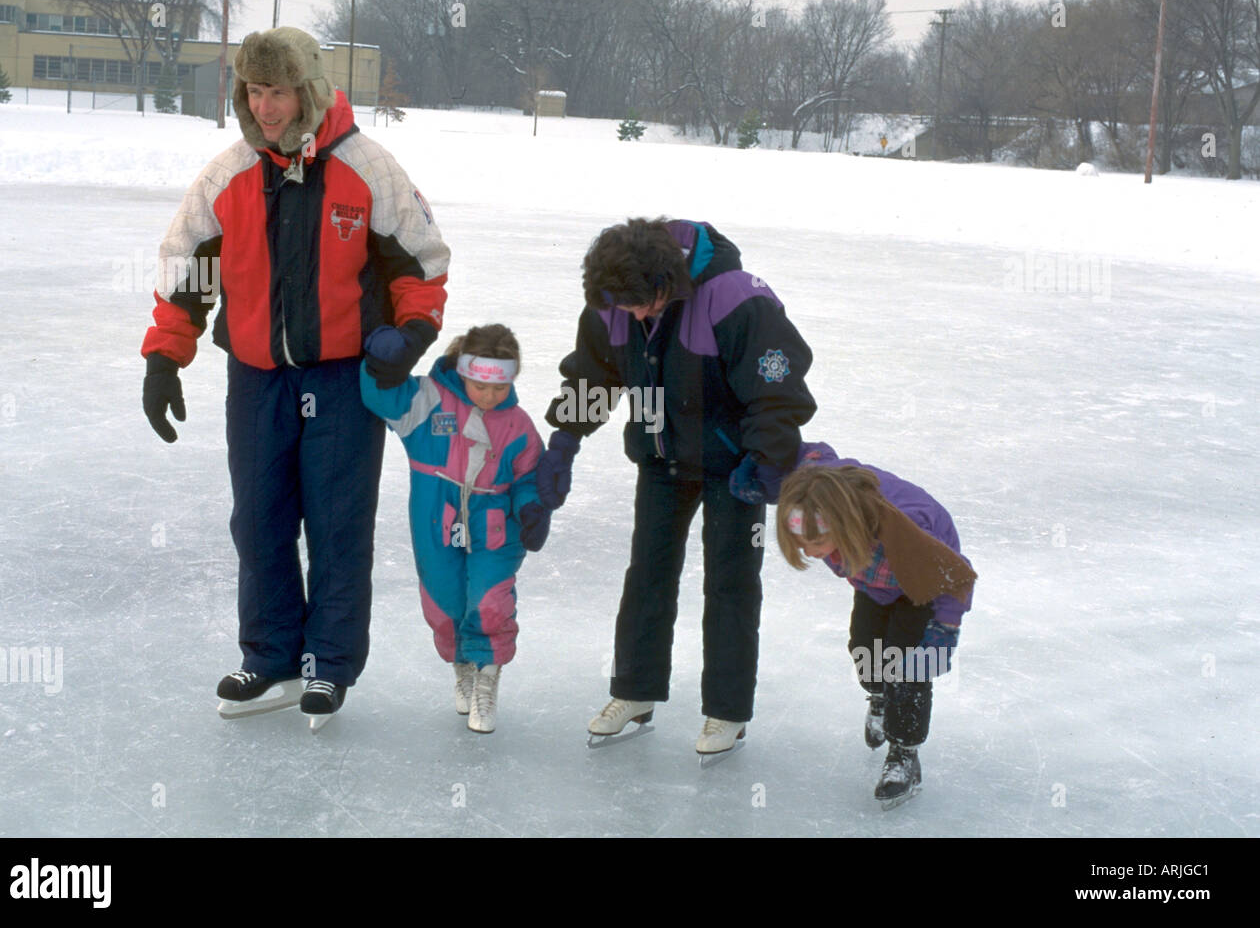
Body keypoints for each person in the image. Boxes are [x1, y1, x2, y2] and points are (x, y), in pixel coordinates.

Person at [139, 27, 450, 724]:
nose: (266, 105)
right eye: (254, 90)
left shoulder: (366, 166)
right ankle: (272, 655)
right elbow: (186, 268)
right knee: (259, 520)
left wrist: (411, 335)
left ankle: (327, 665)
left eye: (278, 90)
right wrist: (166, 355)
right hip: (256, 378)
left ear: (306, 89)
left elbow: (420, 261)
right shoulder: (230, 174)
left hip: (343, 380)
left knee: (337, 524)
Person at [536, 217, 816, 755]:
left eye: (642, 306)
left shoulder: (735, 298)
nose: (633, 316)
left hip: (734, 469)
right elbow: (593, 377)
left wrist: (766, 461)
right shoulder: (613, 302)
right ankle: (635, 692)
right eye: (624, 308)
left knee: (731, 583)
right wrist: (564, 440)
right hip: (661, 461)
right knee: (647, 574)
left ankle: (726, 712)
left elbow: (776, 387)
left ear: (668, 282)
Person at [360, 324, 547, 733]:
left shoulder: (517, 424)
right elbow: (379, 394)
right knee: (443, 604)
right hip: (435, 514)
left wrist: (532, 508)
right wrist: (381, 360)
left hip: (497, 523)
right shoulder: (427, 400)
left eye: (500, 388)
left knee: (489, 601)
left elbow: (530, 474)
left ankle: (488, 673)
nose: (490, 396)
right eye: (480, 385)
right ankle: (463, 664)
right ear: (463, 371)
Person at [774, 441, 977, 806]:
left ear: (842, 527)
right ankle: (879, 695)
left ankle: (904, 755)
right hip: (875, 582)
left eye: (816, 542)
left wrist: (945, 628)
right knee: (866, 651)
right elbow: (808, 452)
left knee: (908, 668)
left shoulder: (910, 526)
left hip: (921, 586)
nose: (810, 552)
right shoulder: (816, 493)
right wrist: (757, 466)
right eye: (801, 544)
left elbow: (954, 577)